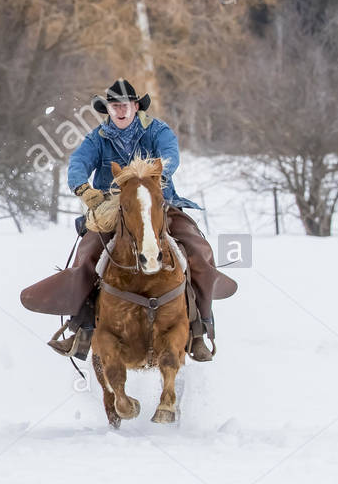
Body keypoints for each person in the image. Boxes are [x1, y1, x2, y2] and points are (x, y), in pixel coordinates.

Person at [32, 79, 230, 362]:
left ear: (136, 107)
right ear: (108, 109)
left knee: (199, 251)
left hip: (159, 204)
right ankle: (82, 328)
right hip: (114, 210)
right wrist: (84, 189)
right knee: (87, 257)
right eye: (115, 106)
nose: (120, 110)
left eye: (125, 105)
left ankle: (199, 329)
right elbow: (77, 163)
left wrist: (153, 181)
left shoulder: (158, 131)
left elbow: (170, 157)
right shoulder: (96, 138)